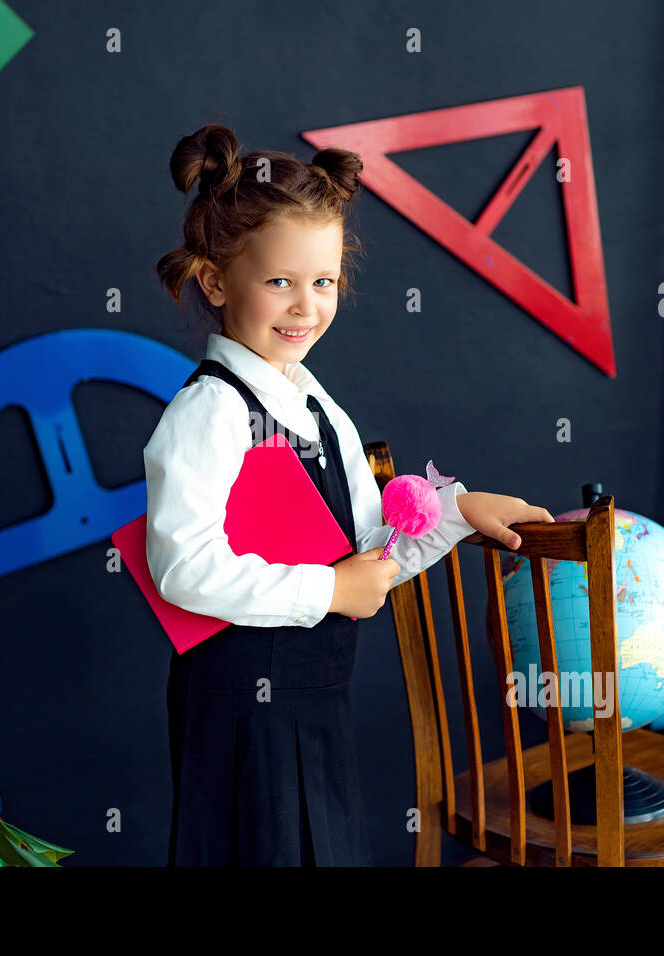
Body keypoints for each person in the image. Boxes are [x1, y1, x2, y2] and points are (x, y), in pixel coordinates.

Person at [146, 124, 555, 866]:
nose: (305, 306)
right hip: (242, 712)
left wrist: (458, 512)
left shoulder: (318, 406)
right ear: (215, 281)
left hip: (316, 702)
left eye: (323, 282)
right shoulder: (210, 411)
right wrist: (329, 588)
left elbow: (376, 555)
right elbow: (183, 569)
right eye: (280, 282)